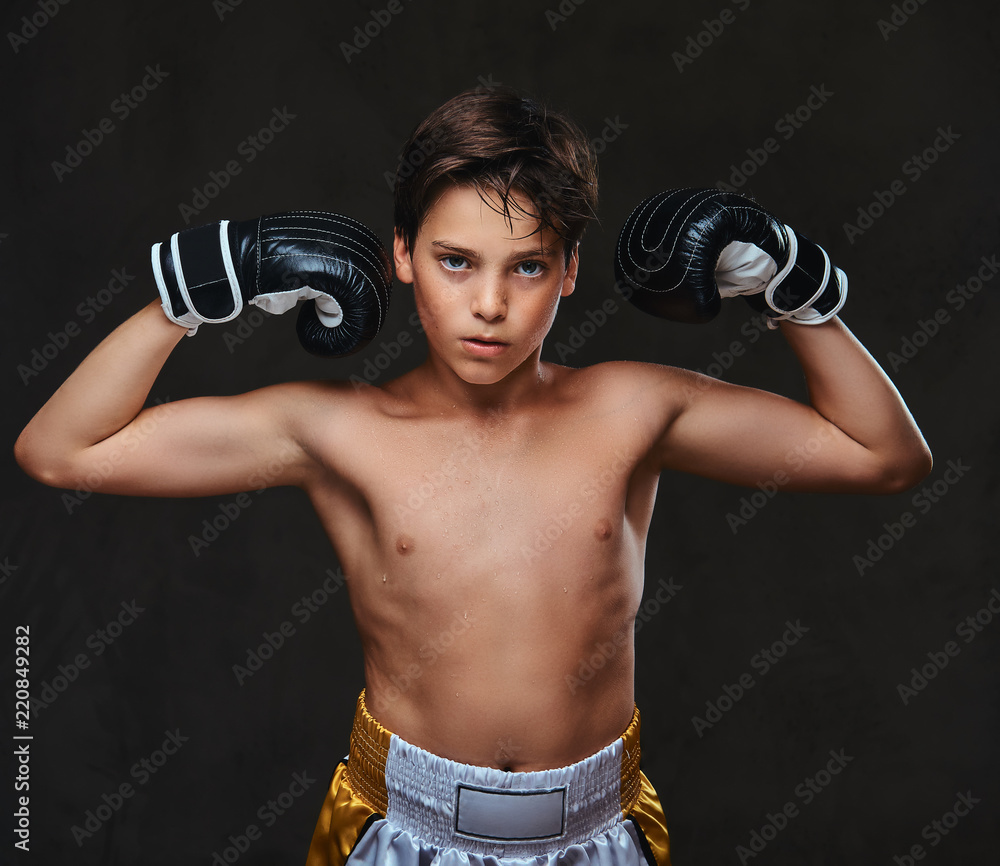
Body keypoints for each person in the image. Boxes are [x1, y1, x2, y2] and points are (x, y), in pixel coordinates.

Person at [14, 87, 932, 865]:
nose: (489, 304)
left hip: (598, 833)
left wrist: (795, 291)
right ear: (402, 256)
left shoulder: (634, 408)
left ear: (569, 271)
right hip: (402, 833)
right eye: (455, 262)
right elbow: (61, 450)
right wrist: (193, 293)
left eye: (527, 267)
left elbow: (883, 456)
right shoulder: (336, 429)